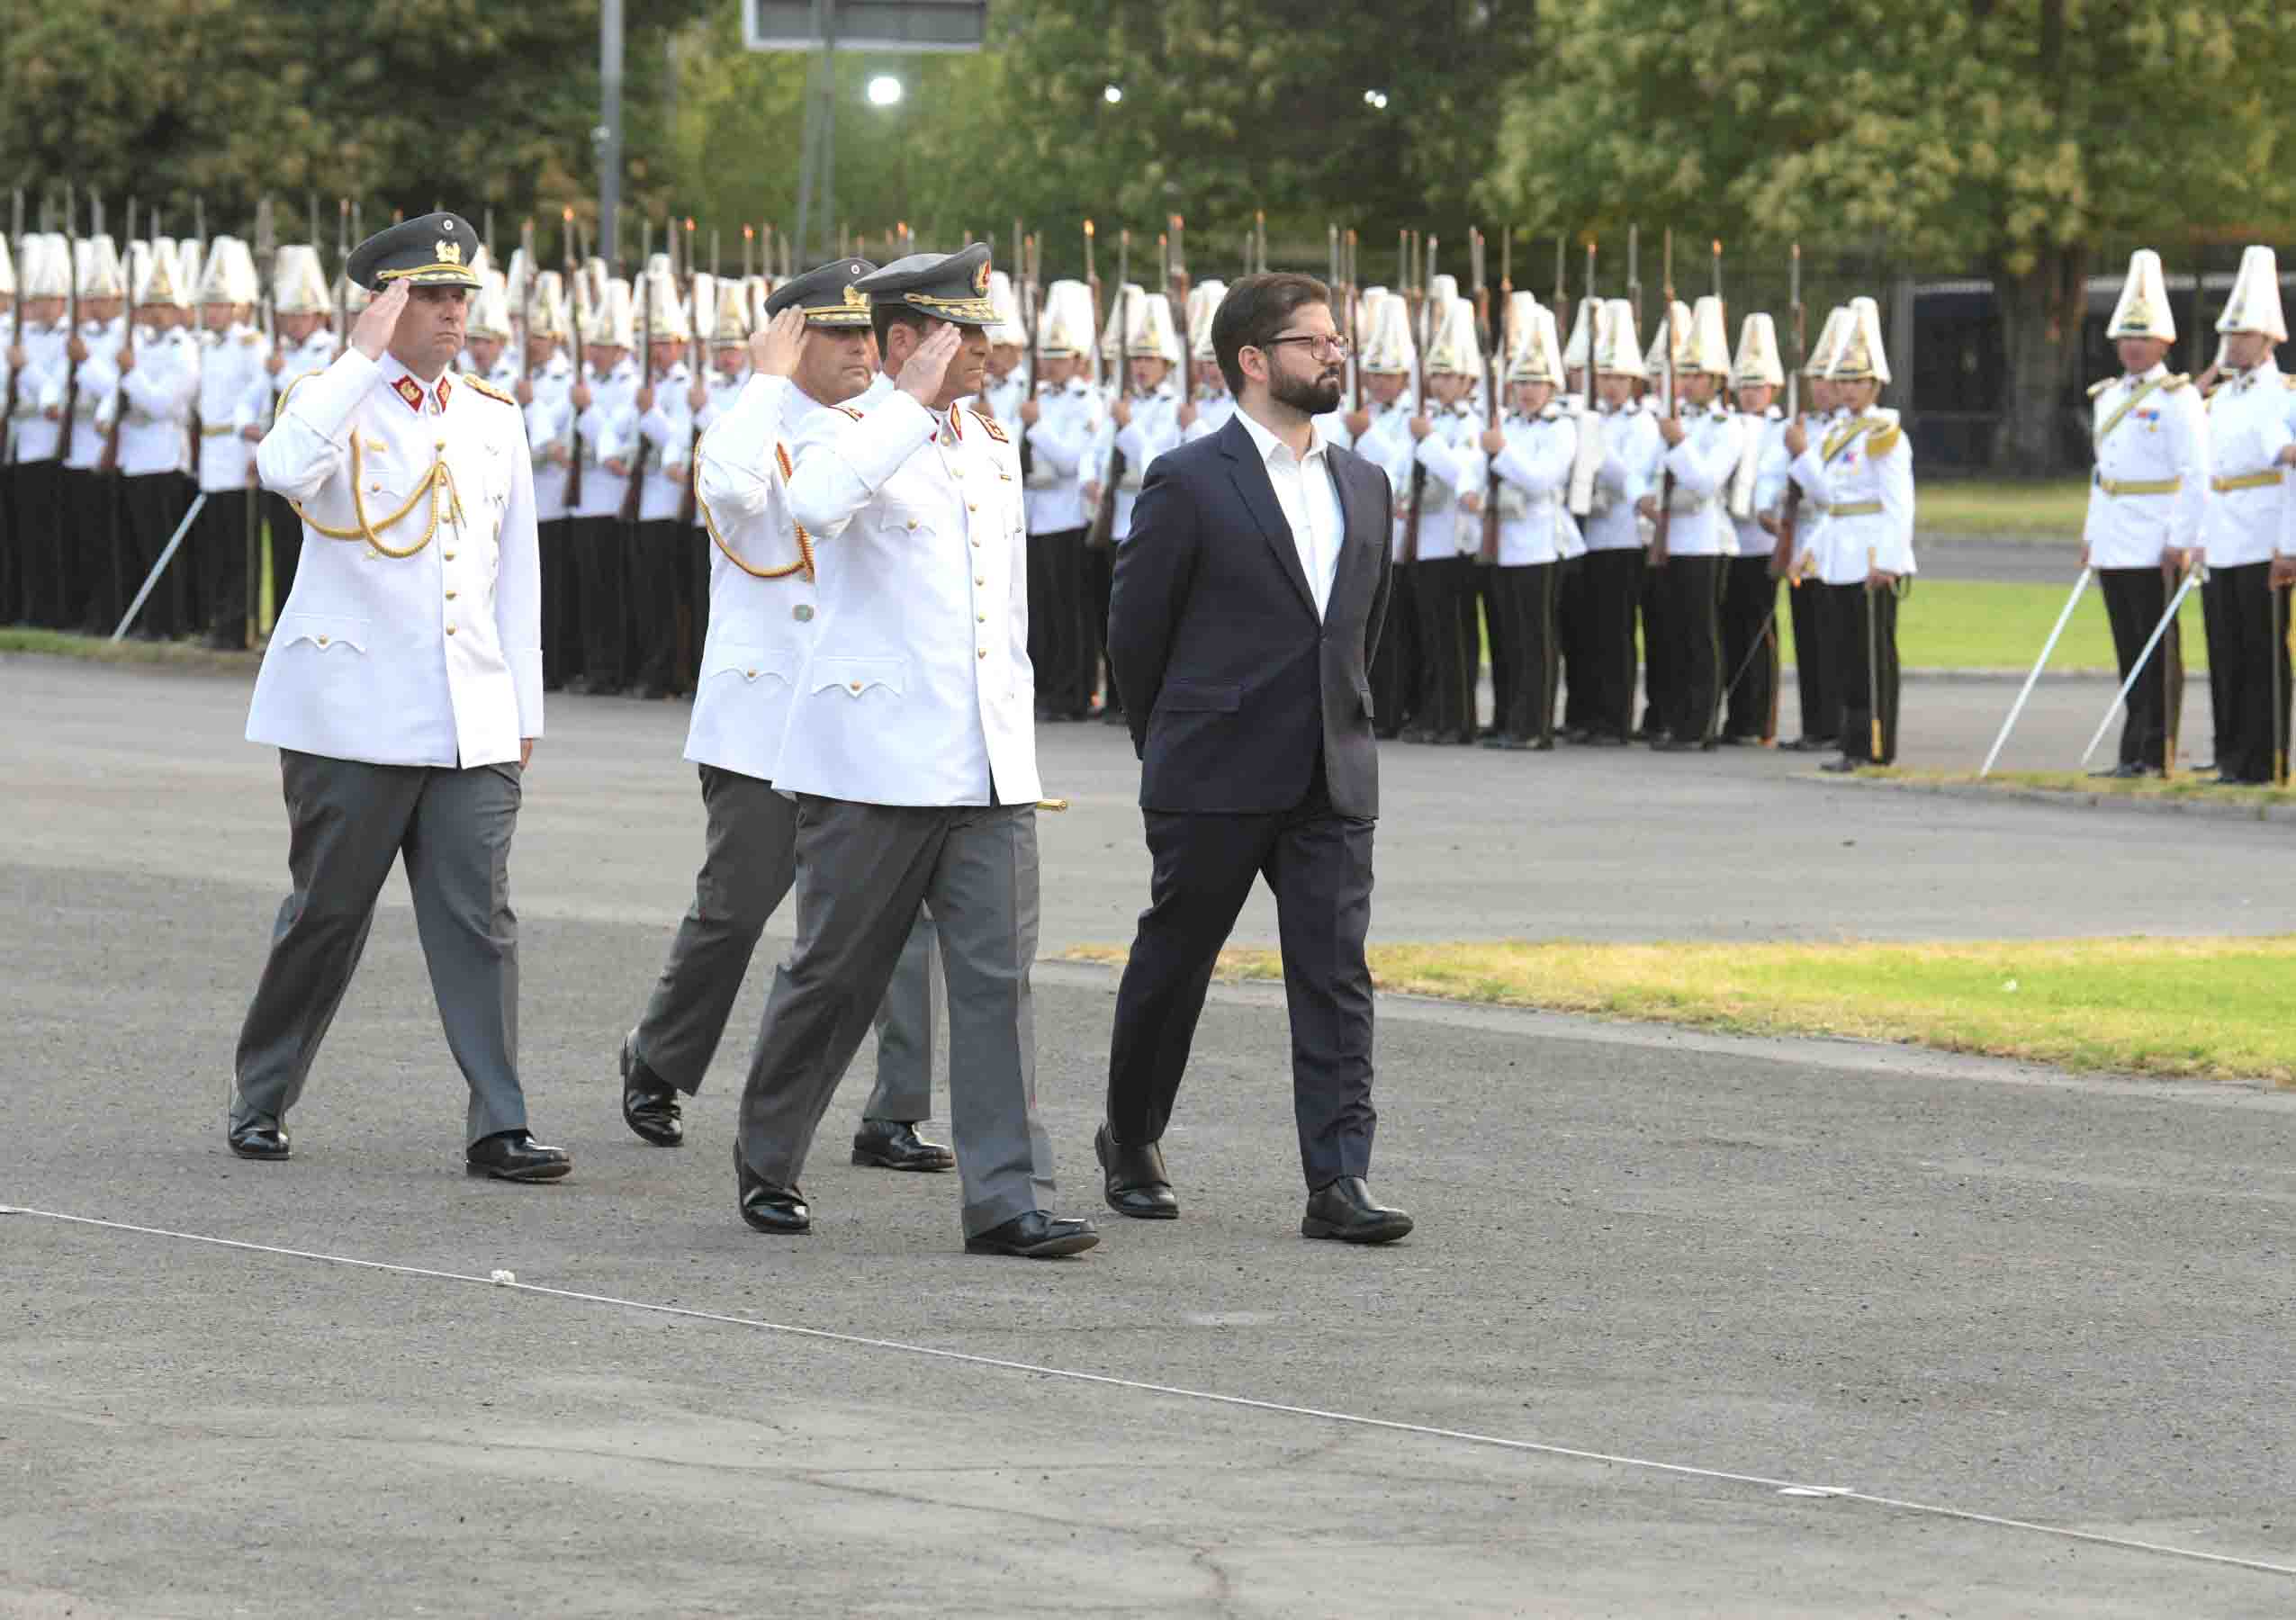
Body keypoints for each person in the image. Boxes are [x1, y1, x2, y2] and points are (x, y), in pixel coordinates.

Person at [733, 243, 1097, 1259]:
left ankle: (1007, 1196)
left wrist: (1013, 737)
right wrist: (909, 403)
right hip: (872, 762)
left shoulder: (987, 440)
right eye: (960, 331)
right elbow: (810, 507)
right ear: (906, 341)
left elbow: (999, 611)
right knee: (834, 973)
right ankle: (769, 1156)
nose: (984, 349)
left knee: (995, 982)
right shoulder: (847, 430)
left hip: (981, 759)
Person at [228, 211, 564, 1183]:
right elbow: (283, 470)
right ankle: (264, 1094)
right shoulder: (331, 401)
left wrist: (522, 711)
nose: (455, 312)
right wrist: (359, 362)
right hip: (351, 715)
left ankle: (499, 1120)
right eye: (432, 294)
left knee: (478, 919)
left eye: (463, 294)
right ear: (386, 303)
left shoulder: (492, 417)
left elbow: (516, 575)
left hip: (469, 715)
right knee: (328, 915)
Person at [620, 257, 955, 1177]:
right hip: (764, 714)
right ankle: (661, 1055)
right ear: (790, 339)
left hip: (861, 714)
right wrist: (763, 380)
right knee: (735, 908)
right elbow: (728, 488)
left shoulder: (883, 427)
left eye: (863, 333)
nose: (858, 349)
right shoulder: (747, 421)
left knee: (895, 920)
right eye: (836, 333)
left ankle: (894, 1109)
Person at [1101, 271, 1410, 1244]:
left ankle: (1337, 1177)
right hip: (1214, 767)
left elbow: (1360, 627)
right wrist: (1173, 747)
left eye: (1334, 341)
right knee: (1177, 959)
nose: (1333, 356)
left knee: (1333, 974)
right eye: (1313, 342)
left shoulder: (1363, 481)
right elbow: (1134, 634)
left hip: (1331, 764)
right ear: (1251, 359)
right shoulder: (1189, 479)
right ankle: (1133, 1136)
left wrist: (1348, 720)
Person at [2082, 249, 2205, 778]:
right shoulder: (2107, 398)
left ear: (2163, 342)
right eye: (2126, 337)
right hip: (2114, 537)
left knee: (2158, 650)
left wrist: (2181, 538)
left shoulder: (2179, 399)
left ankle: (2158, 750)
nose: (2132, 346)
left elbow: (2196, 473)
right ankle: (2132, 749)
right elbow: (2101, 472)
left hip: (2158, 535)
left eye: (2142, 336)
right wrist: (2091, 533)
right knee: (2128, 646)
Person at [1786, 296, 1914, 771]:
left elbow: (1899, 504)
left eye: (1856, 380)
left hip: (1870, 553)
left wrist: (1889, 559)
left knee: (1872, 657)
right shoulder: (1837, 432)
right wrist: (1807, 552)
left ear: (1875, 383)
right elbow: (1831, 502)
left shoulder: (1884, 432)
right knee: (1845, 654)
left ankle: (1876, 744)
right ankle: (1852, 742)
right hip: (1838, 549)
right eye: (1841, 380)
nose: (1847, 389)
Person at [2199, 246, 2295, 785]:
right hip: (2222, 539)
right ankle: (2231, 755)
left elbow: (2289, 477)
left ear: (2269, 340)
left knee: (2263, 655)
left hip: (2264, 539)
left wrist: (2289, 547)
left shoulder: (2282, 396)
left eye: (2242, 335)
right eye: (2228, 335)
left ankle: (2265, 759)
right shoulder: (2223, 397)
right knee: (2225, 653)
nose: (2232, 343)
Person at [1645, 294, 1746, 751]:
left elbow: (1705, 483)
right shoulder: (1670, 423)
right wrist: (1643, 500)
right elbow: (1644, 472)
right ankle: (1673, 717)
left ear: (1717, 380)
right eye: (1683, 374)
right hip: (1667, 537)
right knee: (1672, 636)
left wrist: (1680, 443)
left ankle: (1700, 723)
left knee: (1701, 637)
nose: (1688, 383)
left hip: (1704, 540)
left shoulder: (1727, 426)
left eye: (1697, 375)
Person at [1481, 301, 1578, 750]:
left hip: (1540, 542)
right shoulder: (1510, 426)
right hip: (1506, 540)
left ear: (1552, 386)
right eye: (1521, 381)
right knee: (1513, 637)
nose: (1527, 390)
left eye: (1536, 382)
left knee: (1538, 639)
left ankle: (1536, 726)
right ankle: (1514, 720)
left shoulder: (1561, 428)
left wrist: (1501, 453)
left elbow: (1541, 481)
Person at [1577, 298, 1662, 745]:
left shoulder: (1642, 423)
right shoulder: (1592, 419)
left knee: (1617, 634)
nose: (1611, 385)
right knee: (1593, 632)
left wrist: (1591, 447)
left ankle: (1617, 717)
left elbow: (1627, 474)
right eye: (1605, 377)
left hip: (1625, 536)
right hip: (1592, 532)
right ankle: (1594, 714)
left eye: (1618, 378)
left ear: (1633, 381)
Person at [1020, 278, 1101, 722]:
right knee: (1043, 612)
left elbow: (1072, 460)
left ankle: (1075, 691)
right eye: (1047, 356)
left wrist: (1035, 427)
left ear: (1078, 360)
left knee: (1072, 614)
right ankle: (1048, 687)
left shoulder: (1085, 400)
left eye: (1059, 356)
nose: (1051, 365)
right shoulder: (1042, 396)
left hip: (1068, 515)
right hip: (1036, 515)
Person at [113, 241, 199, 640]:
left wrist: (131, 375)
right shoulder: (141, 346)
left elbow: (164, 404)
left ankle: (172, 623)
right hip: (135, 452)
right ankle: (150, 620)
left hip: (164, 452)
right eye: (151, 307)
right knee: (141, 544)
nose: (157, 315)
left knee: (167, 547)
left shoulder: (184, 349)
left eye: (164, 307)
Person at [191, 237, 270, 649]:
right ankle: (218, 619)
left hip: (238, 452)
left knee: (240, 547)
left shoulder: (251, 346)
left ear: (240, 307)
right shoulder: (204, 346)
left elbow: (258, 399)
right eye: (210, 305)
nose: (214, 312)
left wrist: (255, 452)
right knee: (216, 544)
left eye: (221, 305)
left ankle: (238, 625)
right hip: (210, 453)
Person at [1719, 312, 1792, 744]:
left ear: (1774, 388)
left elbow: (1775, 477)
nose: (1750, 394)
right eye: (1744, 386)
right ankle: (1736, 716)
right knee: (1730, 631)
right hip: (1730, 540)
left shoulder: (1782, 430)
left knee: (1758, 634)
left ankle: (1760, 720)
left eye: (1758, 386)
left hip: (1762, 540)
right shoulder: (1728, 426)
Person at [265, 245, 341, 616]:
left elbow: (310, 402)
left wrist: (278, 373)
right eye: (287, 315)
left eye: (301, 314)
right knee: (280, 550)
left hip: (312, 466)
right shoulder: (277, 349)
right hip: (280, 461)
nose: (293, 322)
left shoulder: (329, 353)